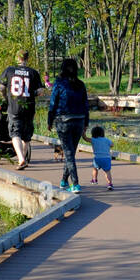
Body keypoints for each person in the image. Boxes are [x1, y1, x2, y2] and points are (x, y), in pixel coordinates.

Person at [46, 57, 89, 193]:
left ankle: (75, 184)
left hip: (63, 121)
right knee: (71, 152)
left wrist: (49, 120)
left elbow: (53, 103)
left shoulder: (59, 83)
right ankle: (64, 181)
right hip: (79, 121)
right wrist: (86, 123)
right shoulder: (81, 85)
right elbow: (86, 105)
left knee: (69, 152)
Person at [0, 49, 43, 170]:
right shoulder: (33, 72)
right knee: (27, 135)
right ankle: (23, 156)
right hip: (29, 107)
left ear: (17, 58)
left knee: (15, 132)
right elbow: (40, 91)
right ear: (27, 59)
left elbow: (2, 87)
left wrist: (6, 97)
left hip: (14, 106)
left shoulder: (9, 70)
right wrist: (31, 93)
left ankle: (21, 158)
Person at [89, 124, 115, 191]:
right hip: (106, 158)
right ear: (102, 133)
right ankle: (110, 184)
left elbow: (86, 139)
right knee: (107, 171)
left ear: (93, 133)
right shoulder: (107, 140)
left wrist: (83, 133)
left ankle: (94, 179)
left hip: (97, 158)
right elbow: (112, 145)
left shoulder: (93, 140)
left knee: (95, 169)